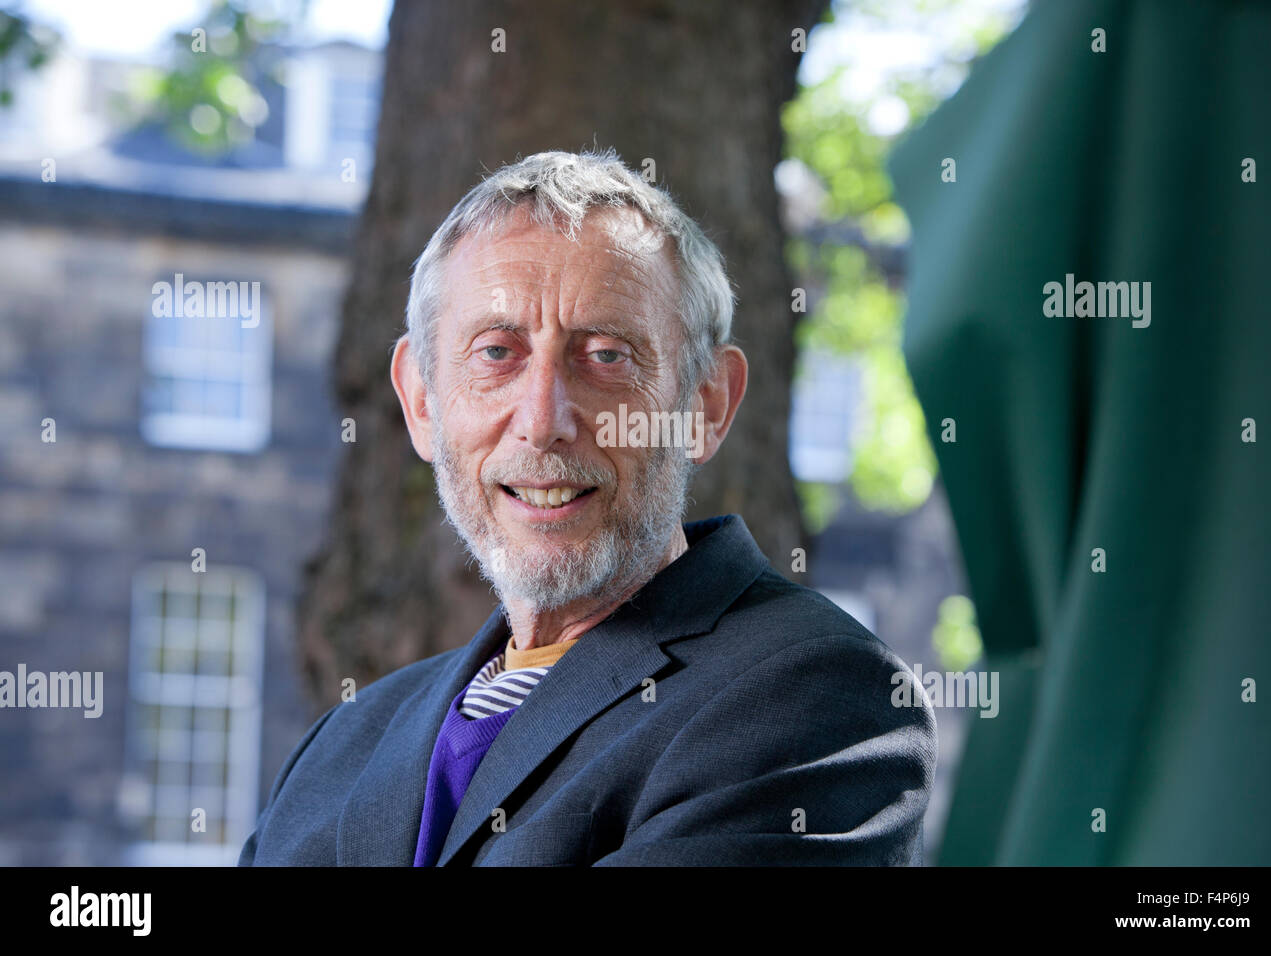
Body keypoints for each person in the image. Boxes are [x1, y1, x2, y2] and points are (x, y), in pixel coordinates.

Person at [239, 149, 935, 866]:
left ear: (706, 404)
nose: (543, 420)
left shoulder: (814, 698)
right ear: (421, 402)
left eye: (605, 356)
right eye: (496, 353)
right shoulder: (342, 742)